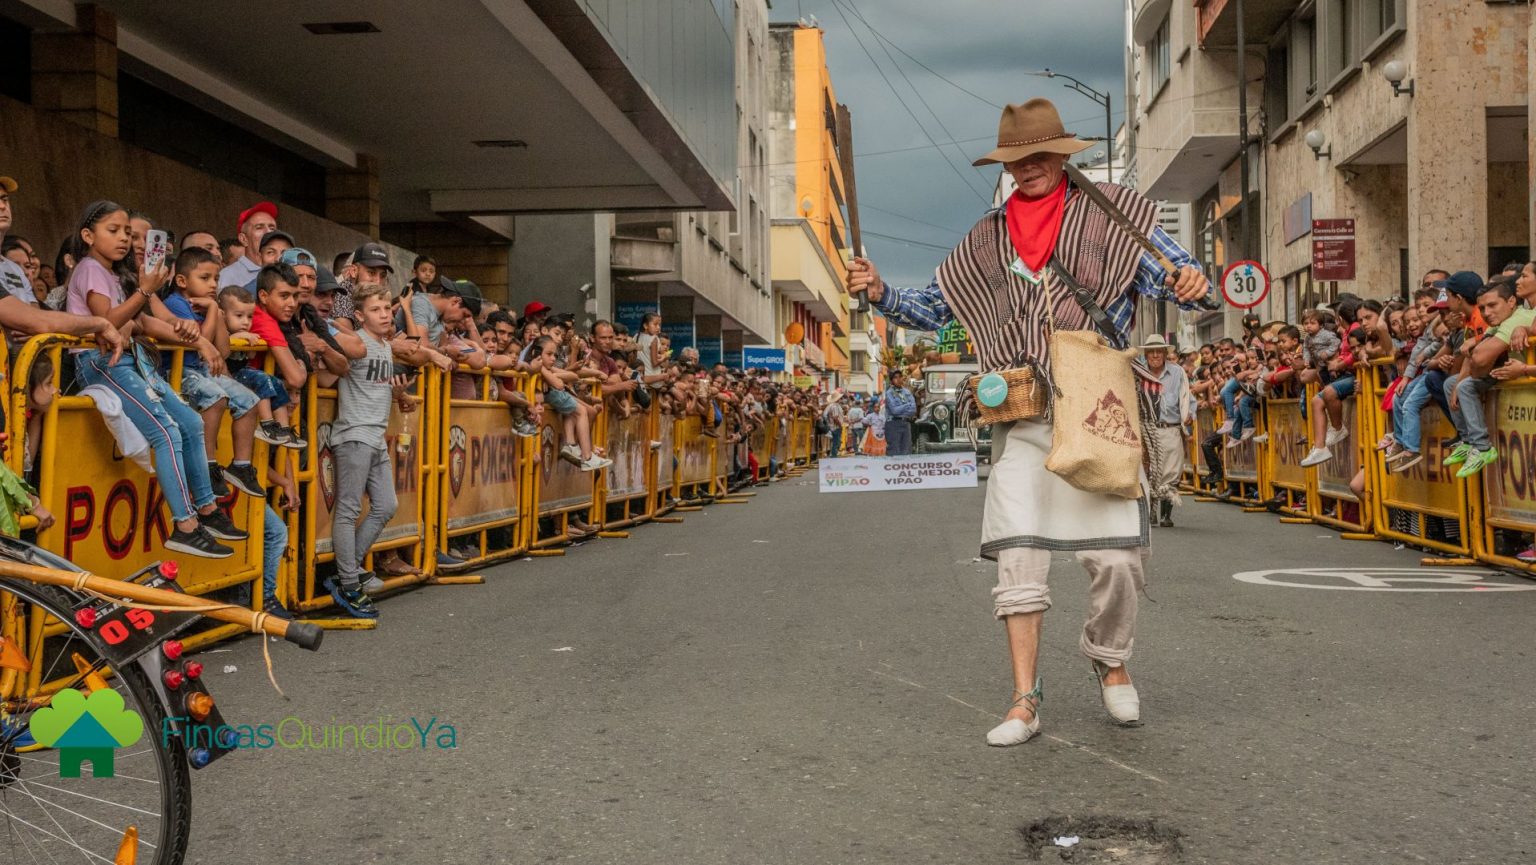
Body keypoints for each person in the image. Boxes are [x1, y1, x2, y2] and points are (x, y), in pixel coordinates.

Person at [848, 98, 1210, 746]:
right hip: (1022, 416)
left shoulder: (1113, 212)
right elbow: (933, 306)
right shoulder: (987, 235)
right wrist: (879, 292)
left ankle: (1109, 658)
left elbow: (1174, 273)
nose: (1029, 167)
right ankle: (1024, 699)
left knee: (1118, 561)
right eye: (1017, 159)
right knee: (1018, 557)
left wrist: (1190, 280)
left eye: (1040, 155)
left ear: (1062, 156)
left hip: (1097, 410)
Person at [66, 200, 246, 558]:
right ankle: (185, 525)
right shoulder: (89, 269)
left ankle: (207, 508)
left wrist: (199, 341)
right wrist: (145, 291)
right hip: (102, 362)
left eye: (127, 233)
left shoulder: (115, 275)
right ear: (88, 235)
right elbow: (107, 322)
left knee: (191, 422)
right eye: (114, 231)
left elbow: (142, 322)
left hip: (130, 361)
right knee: (165, 432)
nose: (124, 239)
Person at [325, 283, 404, 618]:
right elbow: (328, 377)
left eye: (387, 309)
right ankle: (348, 582)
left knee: (387, 505)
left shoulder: (385, 346)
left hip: (376, 436)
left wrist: (401, 395)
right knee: (348, 509)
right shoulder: (356, 343)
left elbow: (379, 388)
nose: (384, 314)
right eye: (375, 310)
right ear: (359, 315)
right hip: (354, 434)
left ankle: (349, 570)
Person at [162, 246, 267, 497]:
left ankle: (241, 466)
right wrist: (212, 309)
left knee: (250, 401)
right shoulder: (176, 303)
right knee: (215, 397)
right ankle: (207, 465)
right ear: (182, 281)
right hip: (178, 371)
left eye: (216, 278)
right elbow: (201, 344)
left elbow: (223, 350)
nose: (213, 284)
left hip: (202, 371)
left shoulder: (208, 306)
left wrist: (216, 313)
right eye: (205, 278)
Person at [1445, 279, 1532, 479]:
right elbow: (1475, 365)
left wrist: (1478, 352)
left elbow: (1479, 358)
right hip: (1511, 377)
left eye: (1493, 305)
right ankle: (1470, 442)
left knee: (1464, 385)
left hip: (1526, 384)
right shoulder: (1498, 324)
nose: (1486, 313)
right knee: (1454, 384)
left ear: (1511, 302)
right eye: (1482, 308)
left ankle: (1482, 446)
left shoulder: (1518, 319)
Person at [1142, 335, 1190, 527]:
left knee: (1171, 472)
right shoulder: (1138, 372)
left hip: (1170, 428)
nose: (1155, 355)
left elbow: (1187, 398)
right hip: (1146, 428)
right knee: (1148, 471)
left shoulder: (1177, 373)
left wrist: (1188, 416)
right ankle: (1150, 512)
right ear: (1146, 354)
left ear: (1164, 353)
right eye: (1151, 352)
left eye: (1159, 351)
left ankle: (1165, 515)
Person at [219, 201, 277, 288]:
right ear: (244, 239)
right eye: (259, 227)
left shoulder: (285, 271)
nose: (268, 232)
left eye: (272, 228)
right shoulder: (228, 276)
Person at [883, 371, 918, 455]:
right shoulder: (889, 393)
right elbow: (894, 411)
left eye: (900, 377)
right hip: (893, 424)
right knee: (894, 451)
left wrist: (901, 408)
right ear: (891, 381)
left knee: (907, 451)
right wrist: (907, 405)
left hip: (906, 423)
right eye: (895, 377)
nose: (898, 379)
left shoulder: (907, 392)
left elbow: (913, 410)